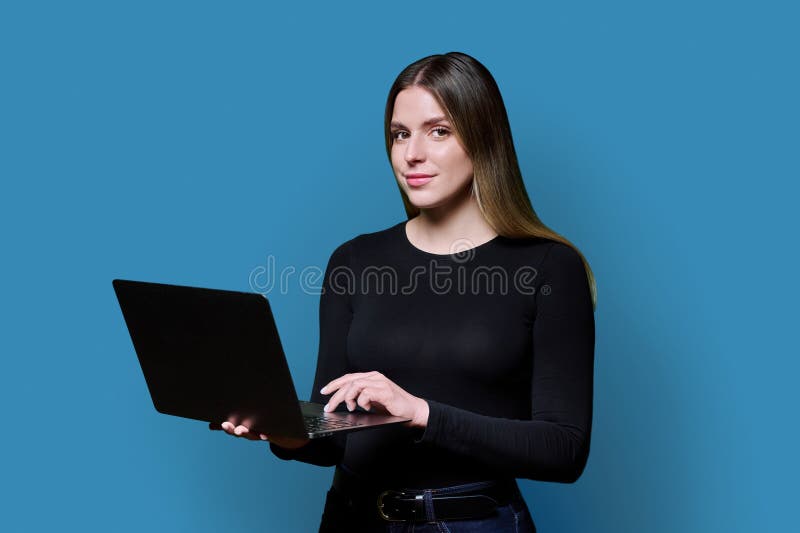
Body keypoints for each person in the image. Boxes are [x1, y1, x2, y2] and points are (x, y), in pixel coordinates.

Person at [212, 51, 596, 532]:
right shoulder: (353, 261)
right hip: (352, 517)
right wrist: (285, 432)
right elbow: (332, 434)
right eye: (400, 134)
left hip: (470, 522)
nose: (412, 153)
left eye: (439, 131)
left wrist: (419, 413)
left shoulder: (549, 267)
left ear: (483, 139)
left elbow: (564, 450)